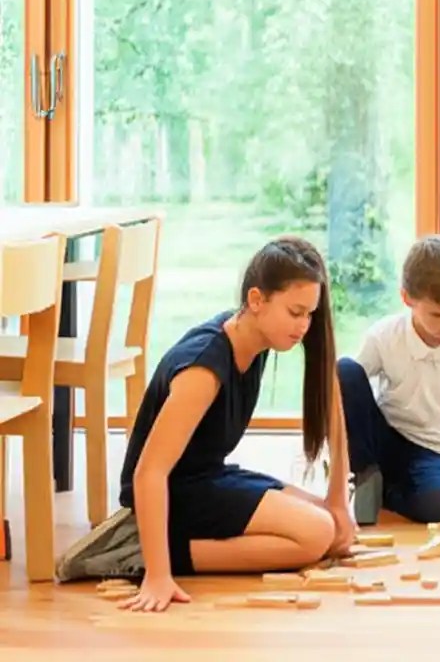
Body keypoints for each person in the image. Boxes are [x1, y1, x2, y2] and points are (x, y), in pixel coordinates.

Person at [54, 236, 358, 611]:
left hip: (207, 477)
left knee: (331, 524)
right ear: (256, 300)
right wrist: (159, 576)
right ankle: (141, 551)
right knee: (317, 534)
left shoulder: (258, 336)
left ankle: (161, 546)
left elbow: (329, 393)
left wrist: (338, 500)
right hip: (172, 491)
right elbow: (148, 473)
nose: (304, 325)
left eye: (309, 314)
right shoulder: (203, 368)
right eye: (296, 313)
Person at [337, 234, 440, 526]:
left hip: (432, 452)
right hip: (381, 440)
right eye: (437, 315)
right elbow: (347, 395)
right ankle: (365, 474)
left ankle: (383, 492)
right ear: (407, 298)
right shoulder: (384, 335)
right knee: (343, 371)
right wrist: (337, 466)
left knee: (439, 503)